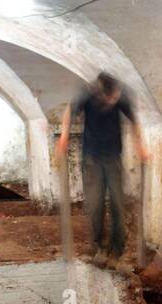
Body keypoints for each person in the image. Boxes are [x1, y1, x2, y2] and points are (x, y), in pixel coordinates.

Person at [55, 72, 149, 263]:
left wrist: (140, 145)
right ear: (99, 93)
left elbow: (134, 121)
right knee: (95, 204)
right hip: (92, 159)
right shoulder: (87, 94)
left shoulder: (121, 95)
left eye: (115, 98)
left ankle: (117, 250)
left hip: (114, 157)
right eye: (110, 99)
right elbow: (69, 111)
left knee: (118, 203)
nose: (113, 101)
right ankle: (99, 246)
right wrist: (64, 136)